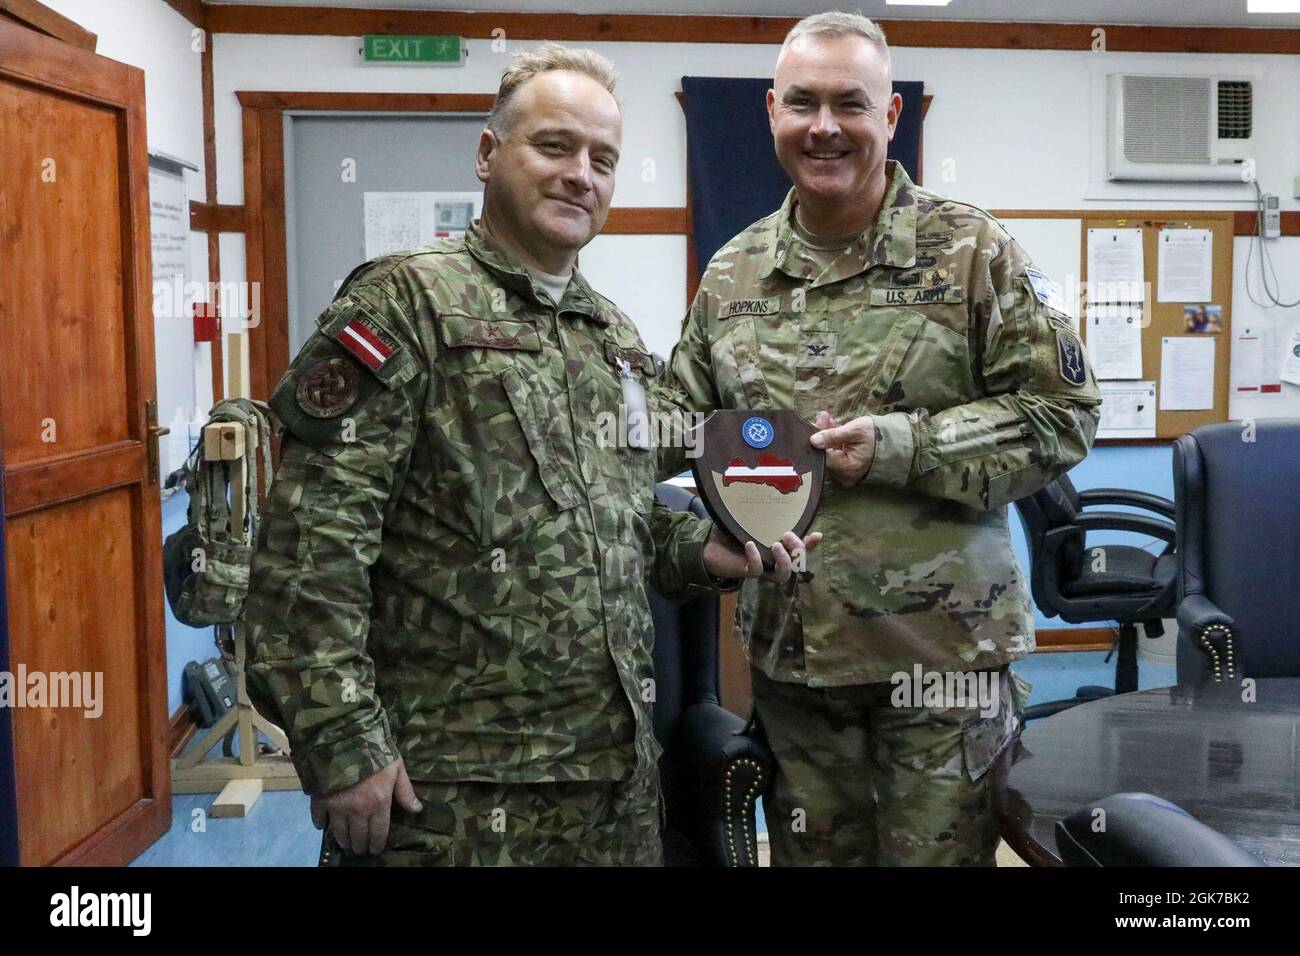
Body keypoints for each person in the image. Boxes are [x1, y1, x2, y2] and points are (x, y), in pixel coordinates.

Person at [244, 43, 818, 867]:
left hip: (614, 785)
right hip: (451, 795)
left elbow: (618, 526)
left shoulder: (609, 335)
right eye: (554, 146)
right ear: (488, 153)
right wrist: (342, 746)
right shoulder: (406, 305)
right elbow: (307, 553)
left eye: (604, 159)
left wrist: (710, 553)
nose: (580, 174)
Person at [659, 12, 1101, 865]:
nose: (825, 127)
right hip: (797, 664)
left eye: (850, 105)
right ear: (772, 113)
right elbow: (684, 426)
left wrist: (905, 445)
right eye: (803, 103)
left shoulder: (973, 250)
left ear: (891, 116)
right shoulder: (734, 271)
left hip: (940, 664)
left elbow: (1064, 413)